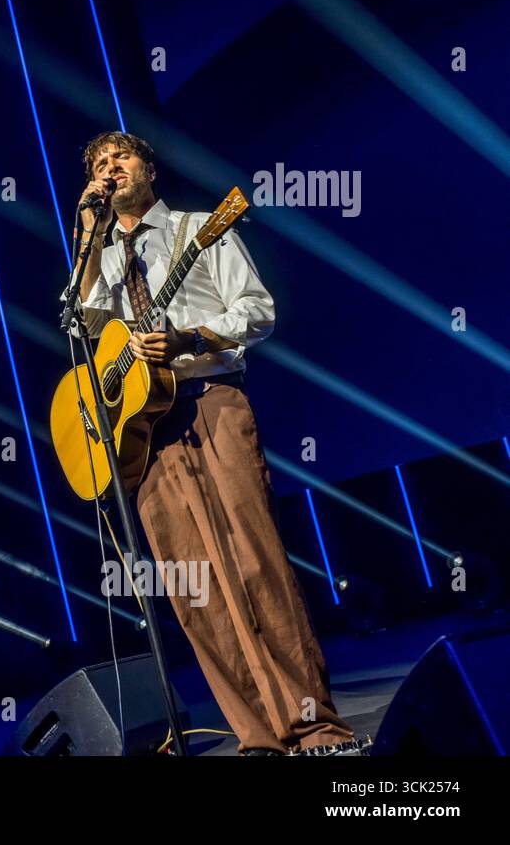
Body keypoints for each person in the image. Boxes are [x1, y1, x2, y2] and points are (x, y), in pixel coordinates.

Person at [63, 130, 366, 756]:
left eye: (119, 158)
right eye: (97, 164)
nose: (108, 168)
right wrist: (86, 238)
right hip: (143, 438)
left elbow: (258, 309)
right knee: (193, 592)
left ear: (147, 167)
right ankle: (259, 737)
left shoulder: (201, 227)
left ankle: (315, 730)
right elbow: (83, 327)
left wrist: (189, 338)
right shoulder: (101, 256)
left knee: (257, 566)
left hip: (209, 405)